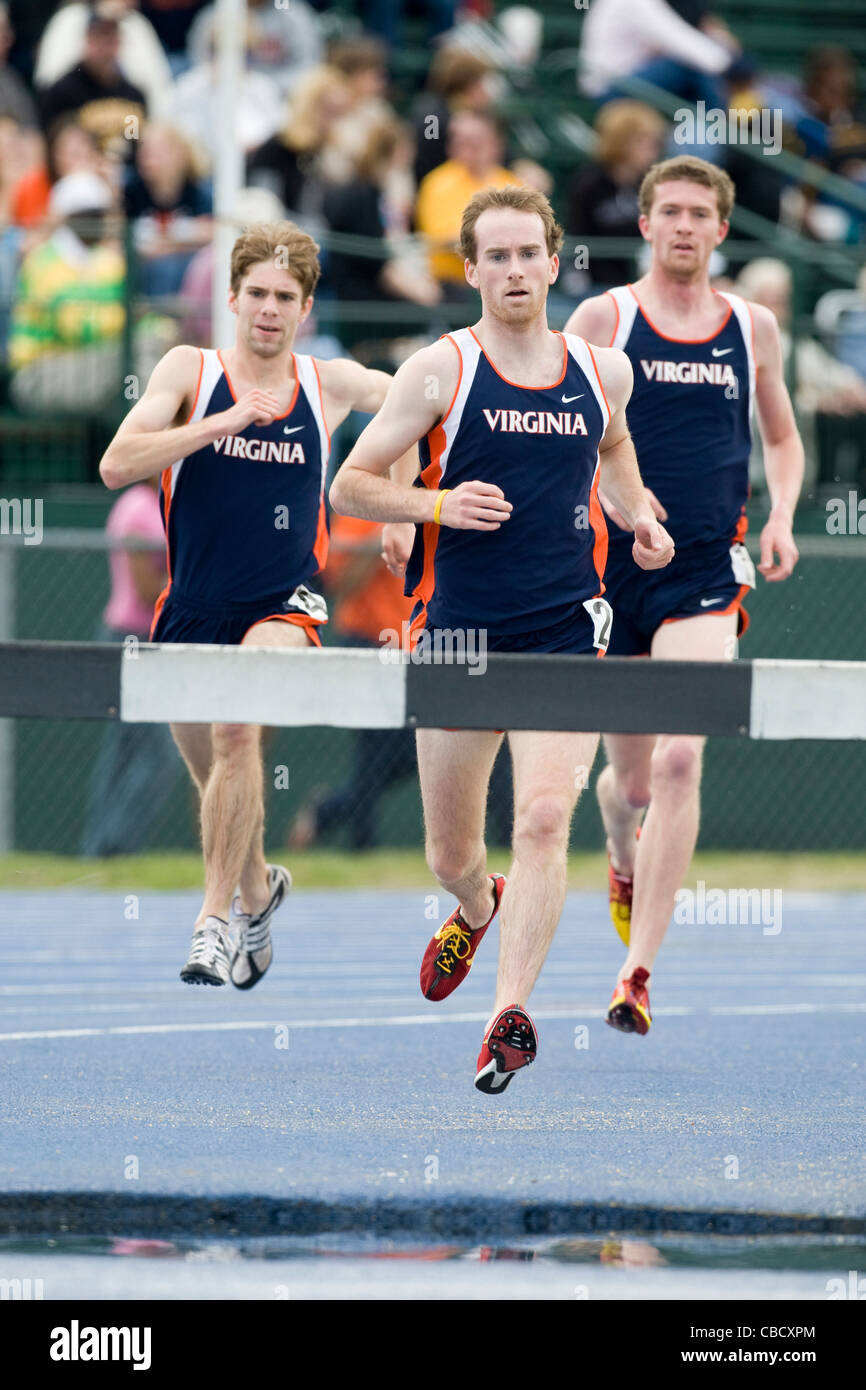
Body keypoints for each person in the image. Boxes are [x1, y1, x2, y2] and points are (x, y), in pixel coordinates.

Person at [329, 184, 674, 1093]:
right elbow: (350, 488)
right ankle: (477, 907)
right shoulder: (440, 370)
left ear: (554, 264)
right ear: (472, 268)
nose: (516, 271)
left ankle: (508, 1014)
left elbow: (615, 450)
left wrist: (638, 517)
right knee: (450, 852)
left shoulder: (603, 370)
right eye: (499, 256)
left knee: (547, 817)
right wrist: (435, 503)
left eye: (531, 255)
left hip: (567, 629)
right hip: (456, 636)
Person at [98, 219, 415, 989]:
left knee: (238, 725)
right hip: (192, 607)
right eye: (258, 295)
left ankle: (212, 923)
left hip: (286, 605)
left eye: (286, 297)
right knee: (218, 781)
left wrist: (407, 503)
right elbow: (115, 464)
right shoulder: (189, 369)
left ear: (305, 307)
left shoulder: (326, 383)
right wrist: (221, 423)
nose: (270, 310)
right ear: (233, 300)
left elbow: (419, 400)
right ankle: (256, 890)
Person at [564, 156, 803, 1038]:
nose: (684, 227)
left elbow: (780, 436)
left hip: (707, 569)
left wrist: (779, 517)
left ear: (721, 229)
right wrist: (622, 505)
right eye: (669, 211)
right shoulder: (605, 318)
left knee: (677, 762)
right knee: (625, 787)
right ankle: (623, 858)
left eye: (700, 214)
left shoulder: (752, 327)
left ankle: (638, 973)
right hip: (614, 572)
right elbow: (568, 432)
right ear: (645, 223)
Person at [80, 475, 180, 856]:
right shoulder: (137, 509)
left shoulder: (163, 503)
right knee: (156, 756)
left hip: (150, 644)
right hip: (130, 643)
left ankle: (102, 849)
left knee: (126, 752)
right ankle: (112, 848)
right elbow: (144, 588)